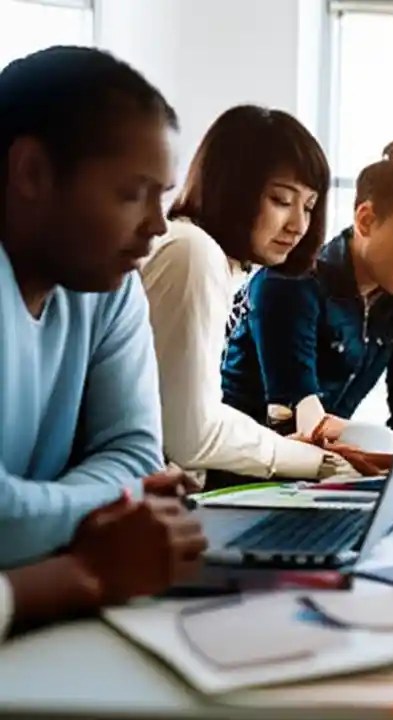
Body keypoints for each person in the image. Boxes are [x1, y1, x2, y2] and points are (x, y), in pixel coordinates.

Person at [0, 46, 206, 634]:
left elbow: (134, 452)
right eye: (132, 193)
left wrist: (117, 499)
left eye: (162, 195)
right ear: (31, 173)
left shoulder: (108, 284)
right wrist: (123, 507)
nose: (158, 226)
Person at [141, 105, 346, 487]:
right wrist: (319, 462)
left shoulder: (221, 265)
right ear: (232, 189)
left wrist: (289, 450)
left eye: (309, 206)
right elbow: (191, 435)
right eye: (281, 200)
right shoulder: (193, 252)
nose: (299, 225)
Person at [222, 137, 393, 441]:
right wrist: (379, 444)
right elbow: (295, 418)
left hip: (318, 459)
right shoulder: (289, 282)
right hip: (244, 456)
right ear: (366, 220)